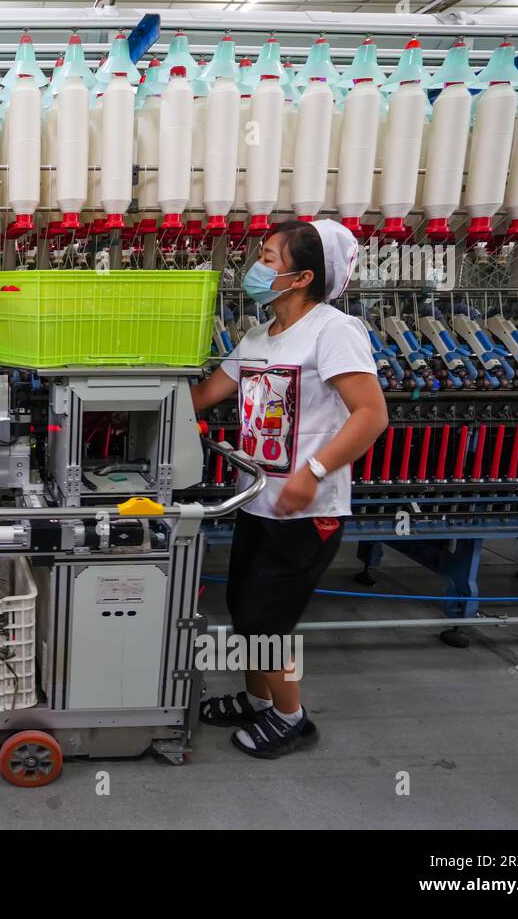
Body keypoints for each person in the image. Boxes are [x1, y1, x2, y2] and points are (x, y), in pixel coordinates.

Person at [190, 219, 388, 758]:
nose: (256, 266)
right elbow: (205, 394)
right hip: (257, 499)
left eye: (269, 258)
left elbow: (371, 415)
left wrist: (313, 473)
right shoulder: (259, 336)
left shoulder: (333, 330)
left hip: (308, 508)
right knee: (244, 608)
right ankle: (257, 700)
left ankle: (292, 717)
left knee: (267, 619)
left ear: (301, 276)